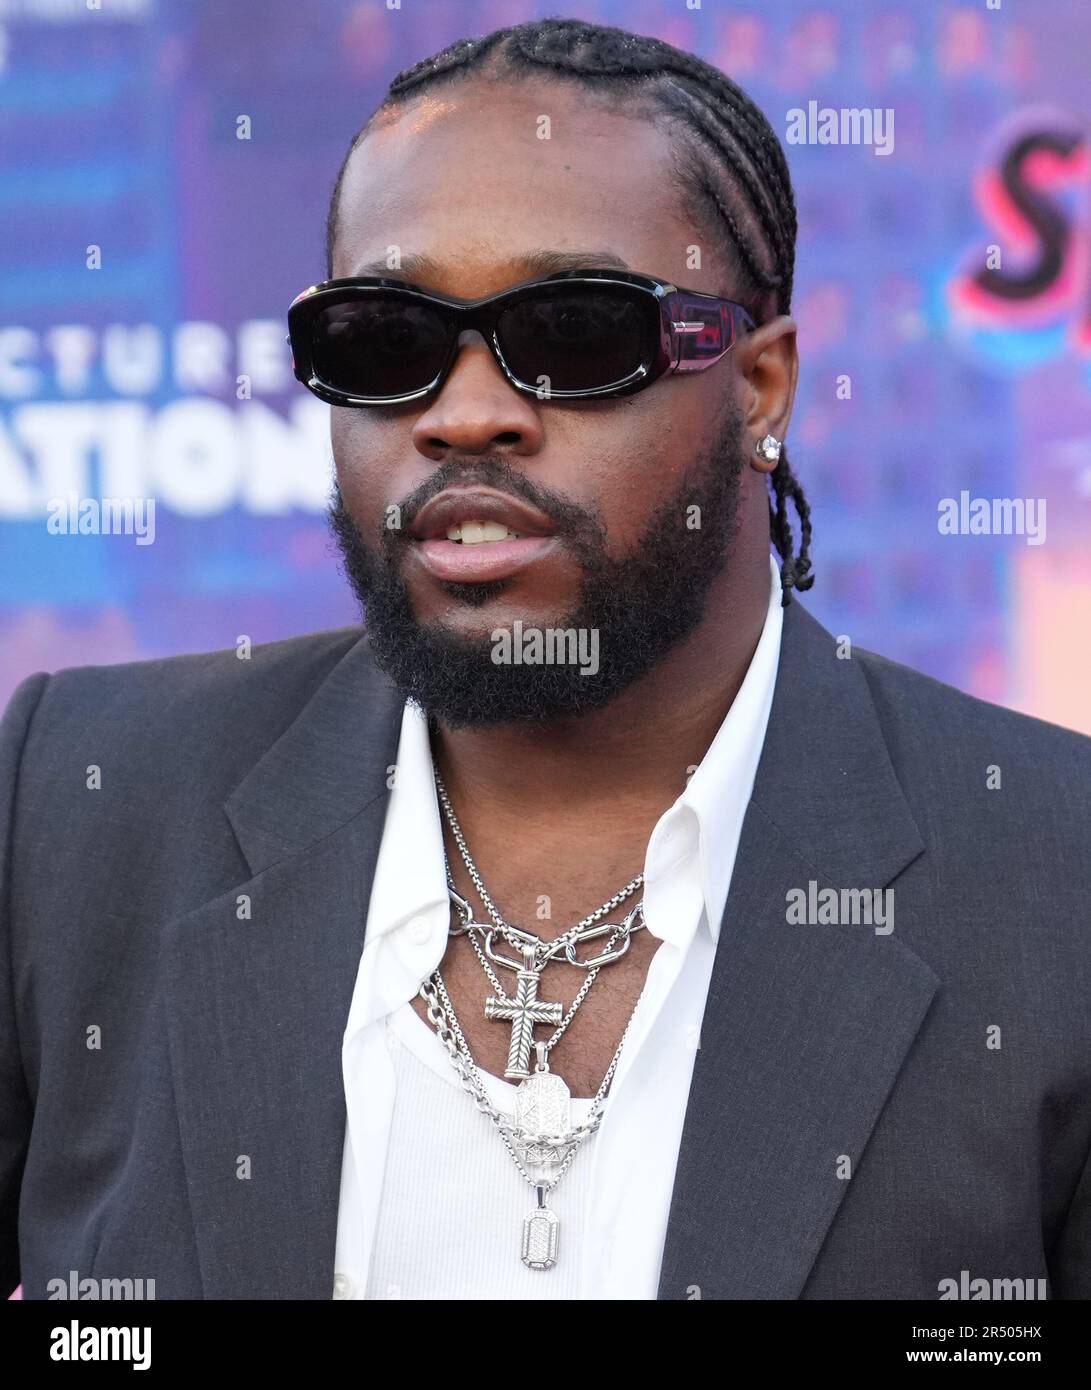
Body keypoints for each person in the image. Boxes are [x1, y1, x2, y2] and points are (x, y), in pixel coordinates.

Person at [2, 17, 1089, 1302]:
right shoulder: (77, 803)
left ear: (761, 387)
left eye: (575, 336)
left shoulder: (1048, 873)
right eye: (383, 341)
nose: (464, 412)